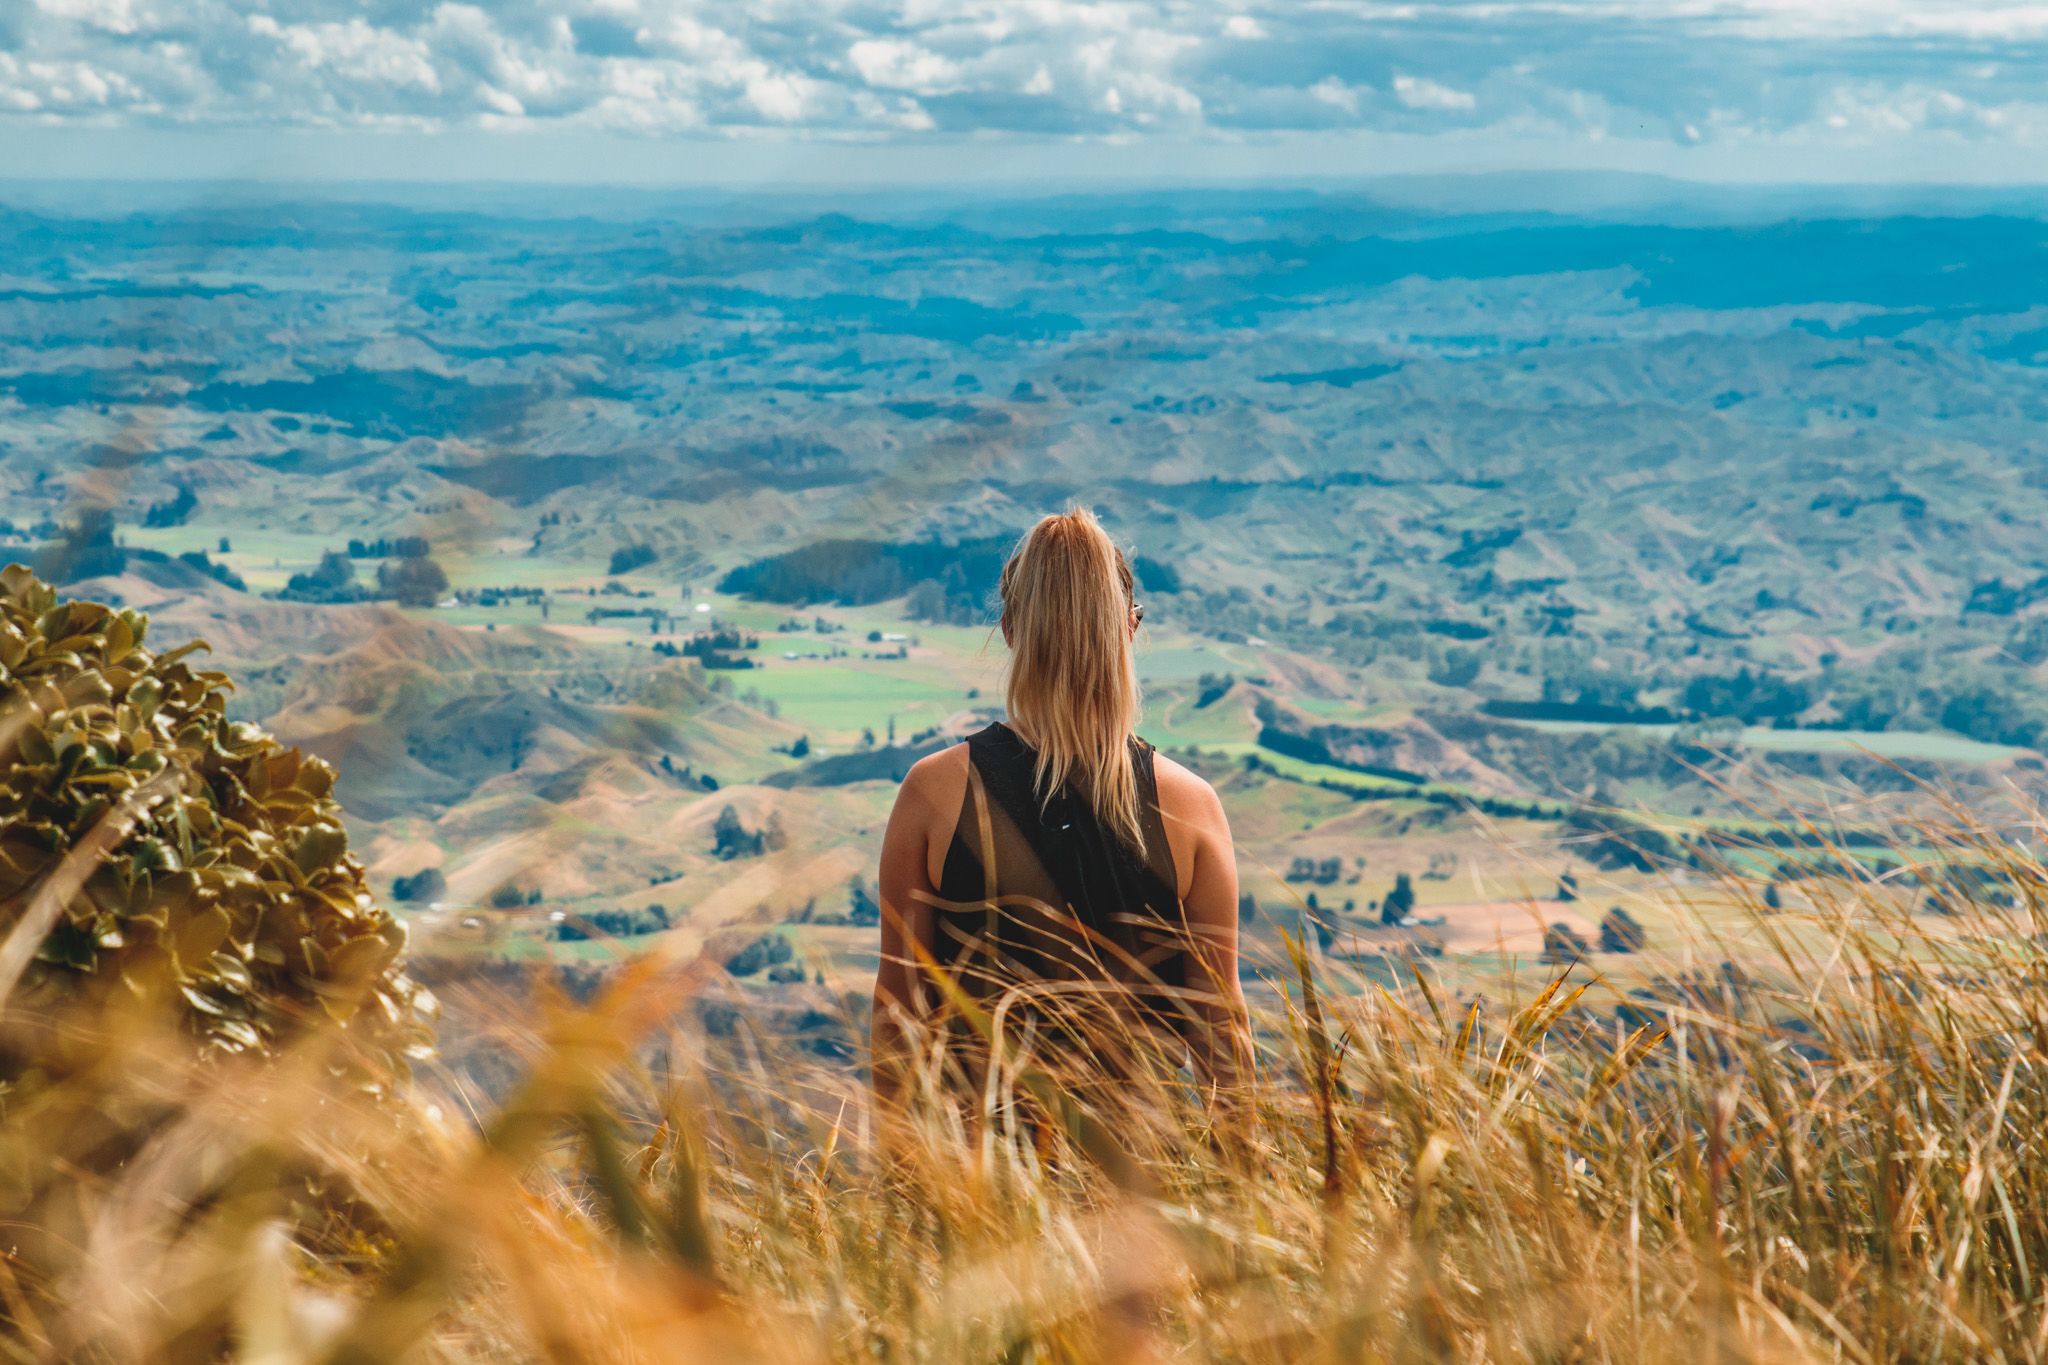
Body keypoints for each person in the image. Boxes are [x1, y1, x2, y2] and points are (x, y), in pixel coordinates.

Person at [870, 507, 1250, 1124]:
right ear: (1129, 629)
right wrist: (1243, 1187)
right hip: (1145, 1191)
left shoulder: (935, 793)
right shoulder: (1190, 806)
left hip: (978, 1185)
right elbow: (1222, 1035)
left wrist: (897, 1181)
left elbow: (899, 1016)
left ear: (1011, 631)